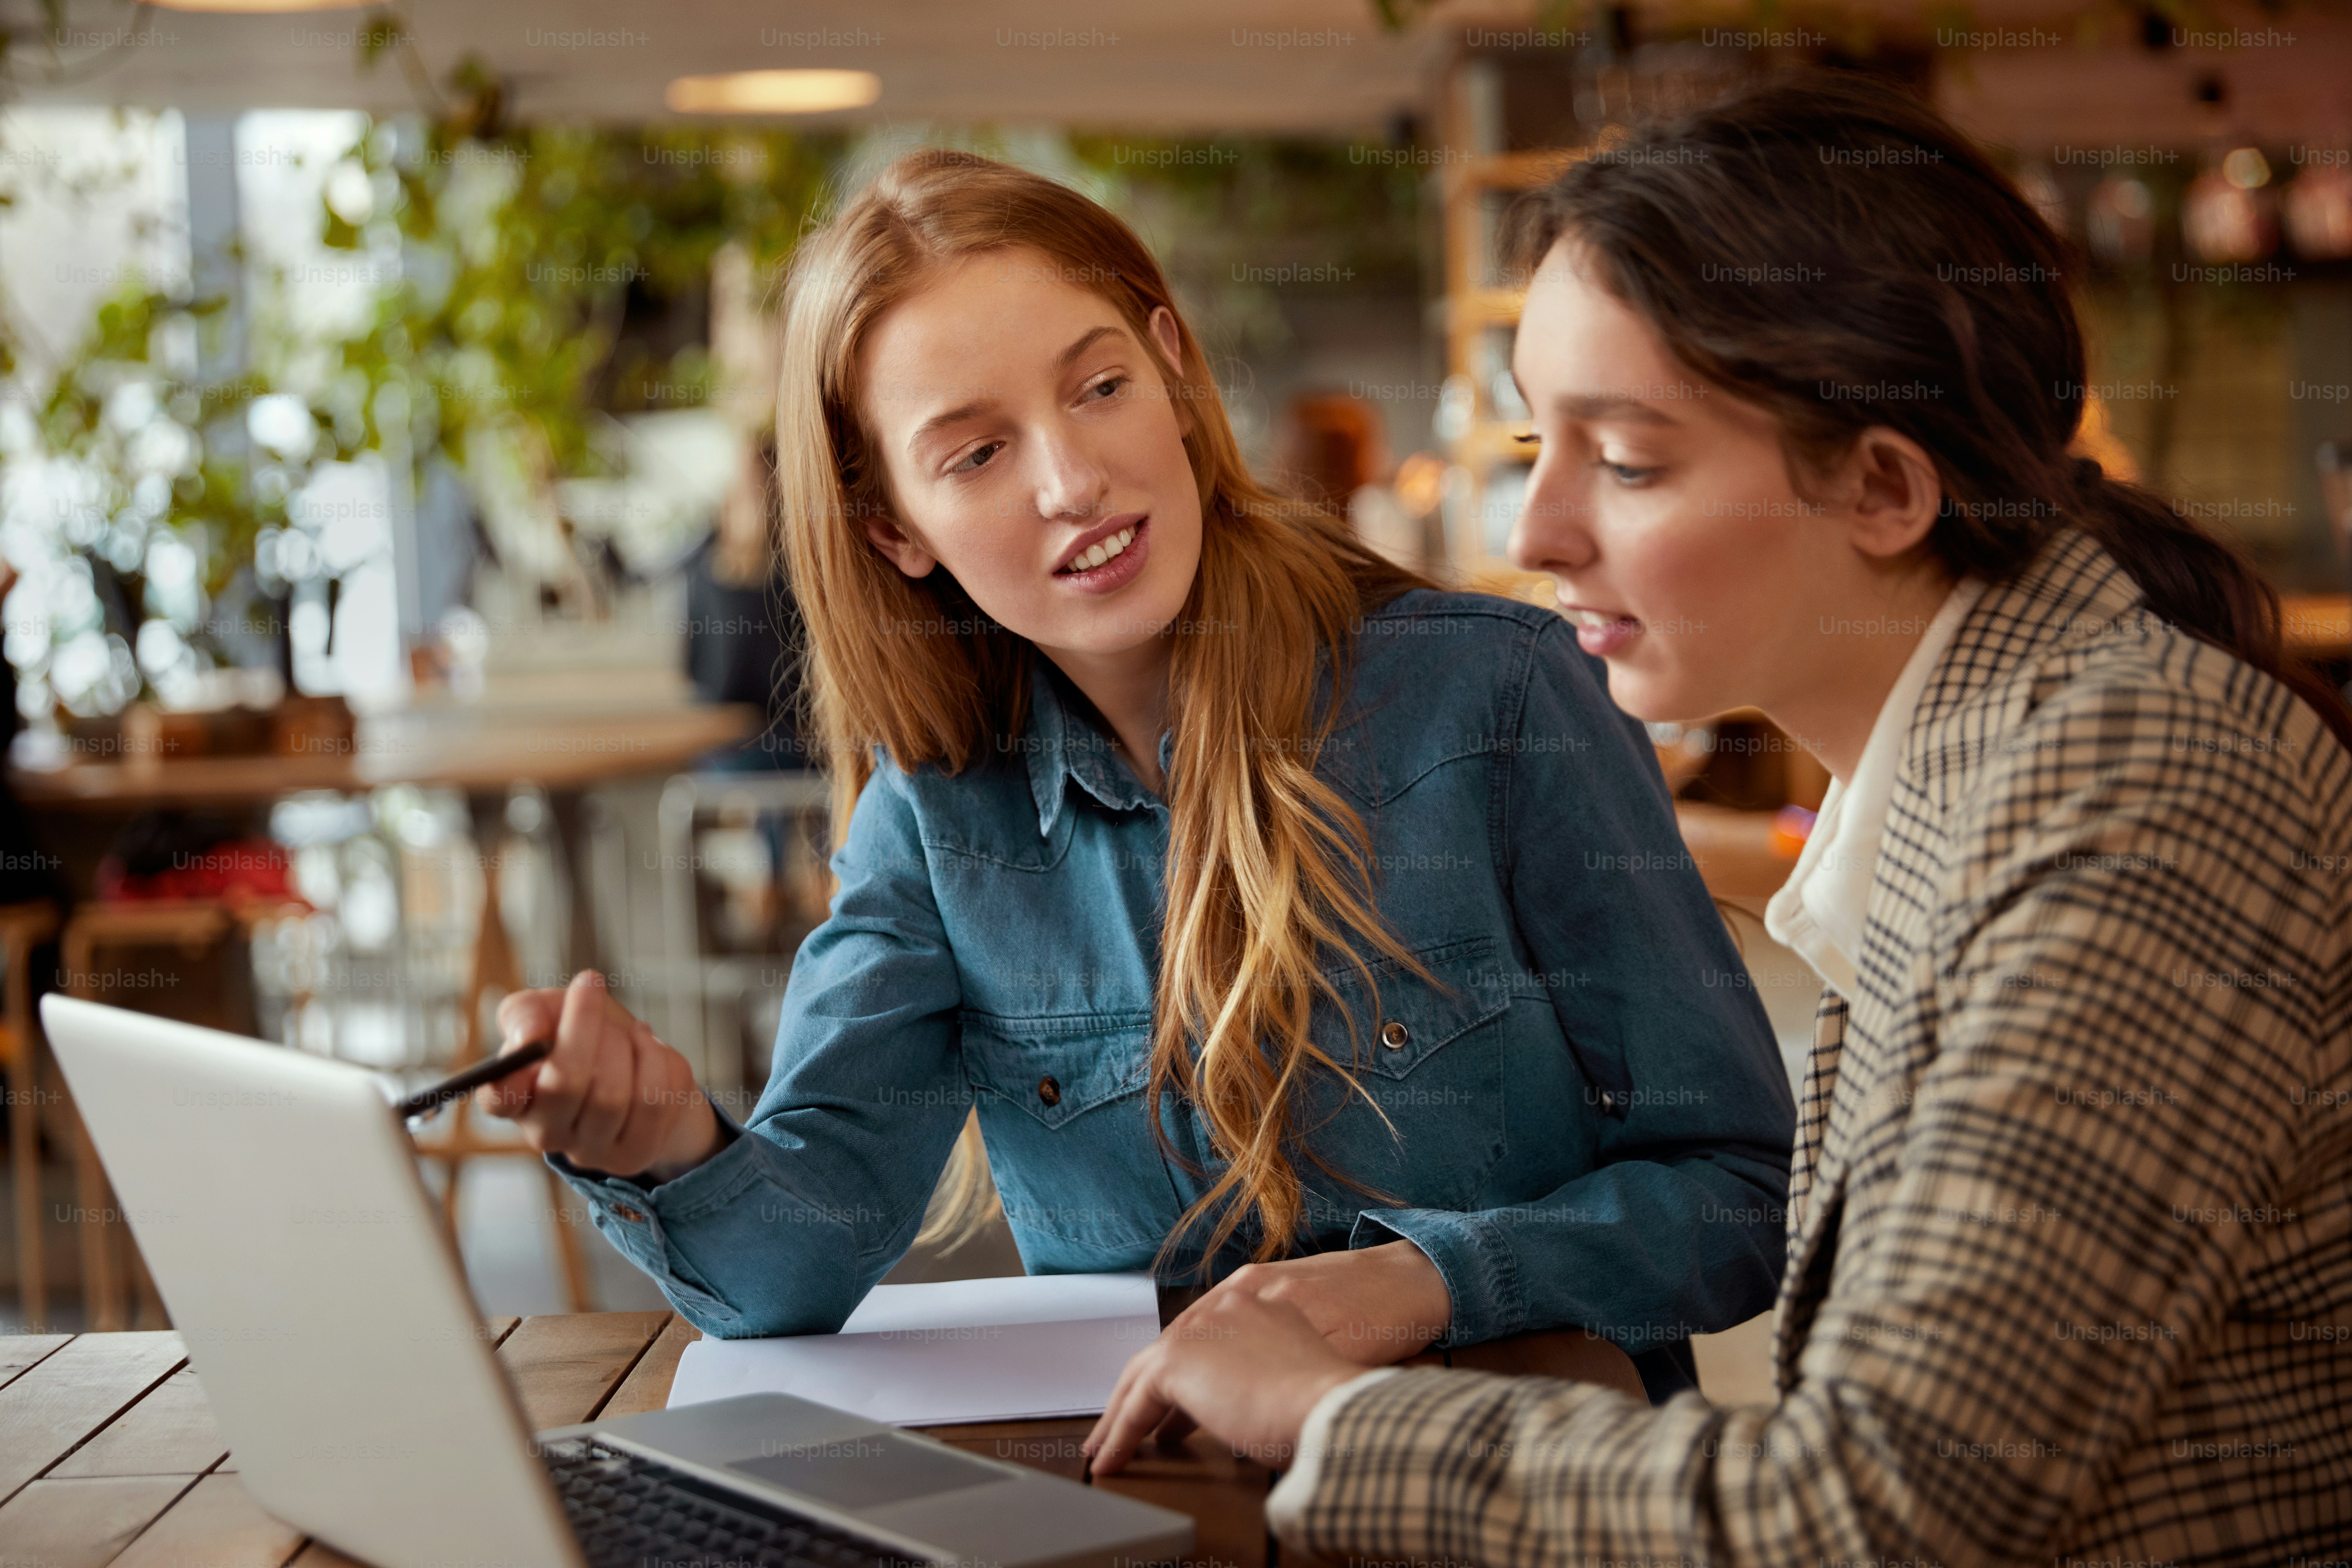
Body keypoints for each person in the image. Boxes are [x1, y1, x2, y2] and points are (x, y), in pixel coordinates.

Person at [1084, 73, 2352, 1567]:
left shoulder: (2134, 792)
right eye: (1532, 445)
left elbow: (1874, 1509)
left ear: (1882, 486)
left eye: (1626, 461)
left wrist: (1323, 1416)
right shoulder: (2002, 764)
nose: (1532, 533)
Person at [473, 150, 1795, 1398]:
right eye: (977, 453)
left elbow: (1738, 1192)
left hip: (1511, 1490)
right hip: (1169, 1503)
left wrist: (1425, 1283)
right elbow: (788, 1267)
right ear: (893, 527)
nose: (1074, 481)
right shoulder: (937, 822)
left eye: (1099, 387)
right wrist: (659, 1146)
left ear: (1171, 368)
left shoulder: (1500, 698)